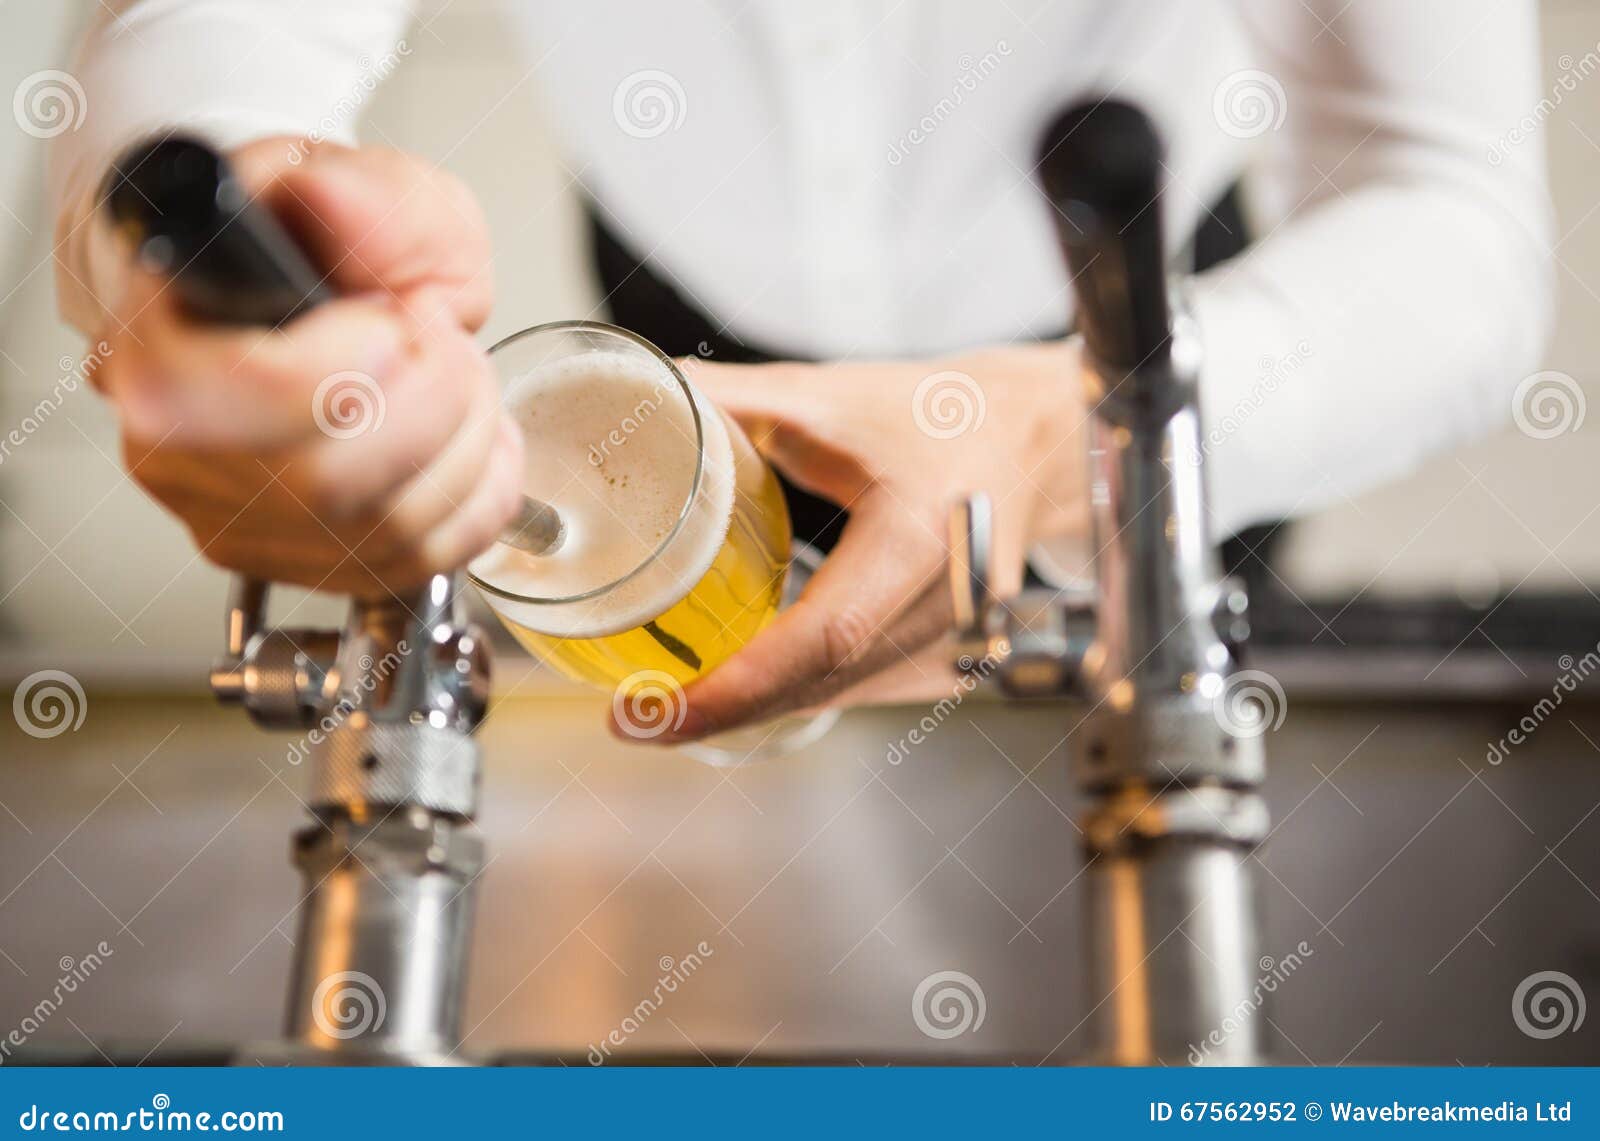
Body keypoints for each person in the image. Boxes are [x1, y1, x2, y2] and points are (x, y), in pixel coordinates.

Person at [49, 1, 1554, 742]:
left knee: (1157, 708)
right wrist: (222, 297)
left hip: (1130, 327)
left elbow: (1453, 206)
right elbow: (206, 56)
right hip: (687, 308)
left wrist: (1046, 439)